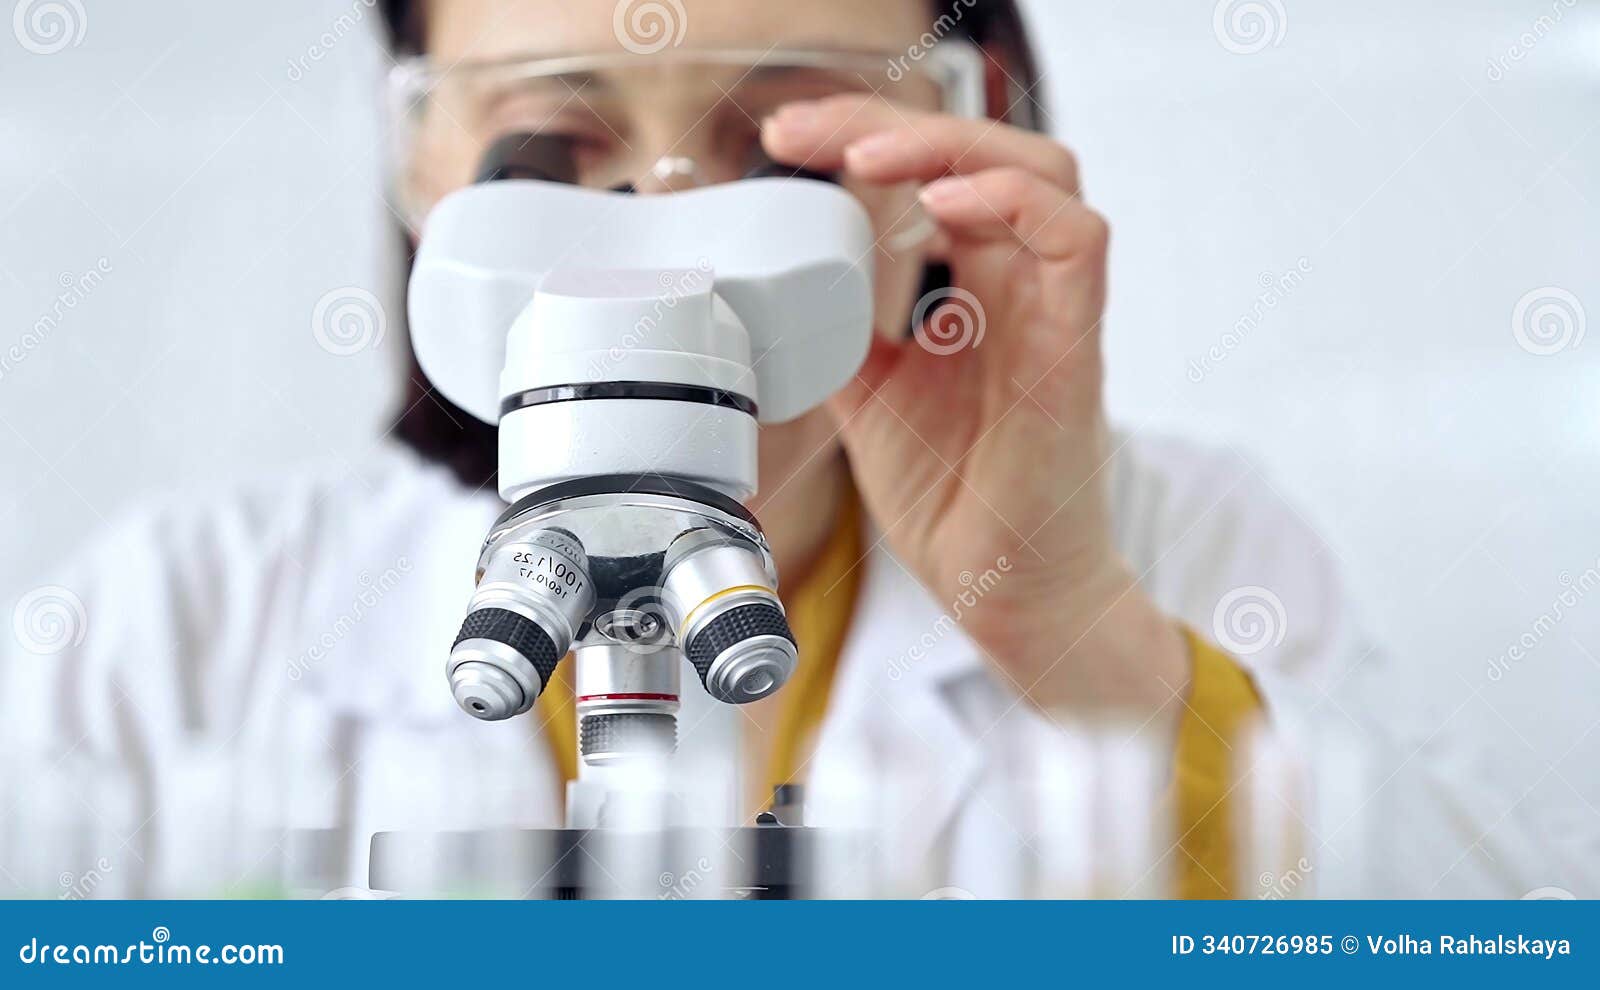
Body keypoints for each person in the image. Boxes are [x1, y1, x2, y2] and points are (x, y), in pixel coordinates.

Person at [1, 0, 1588, 899]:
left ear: (950, 151)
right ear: (421, 164)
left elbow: (1488, 930)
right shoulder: (176, 622)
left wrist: (1070, 625)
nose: (670, 228)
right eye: (562, 142)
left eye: (782, 143)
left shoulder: (1191, 558)